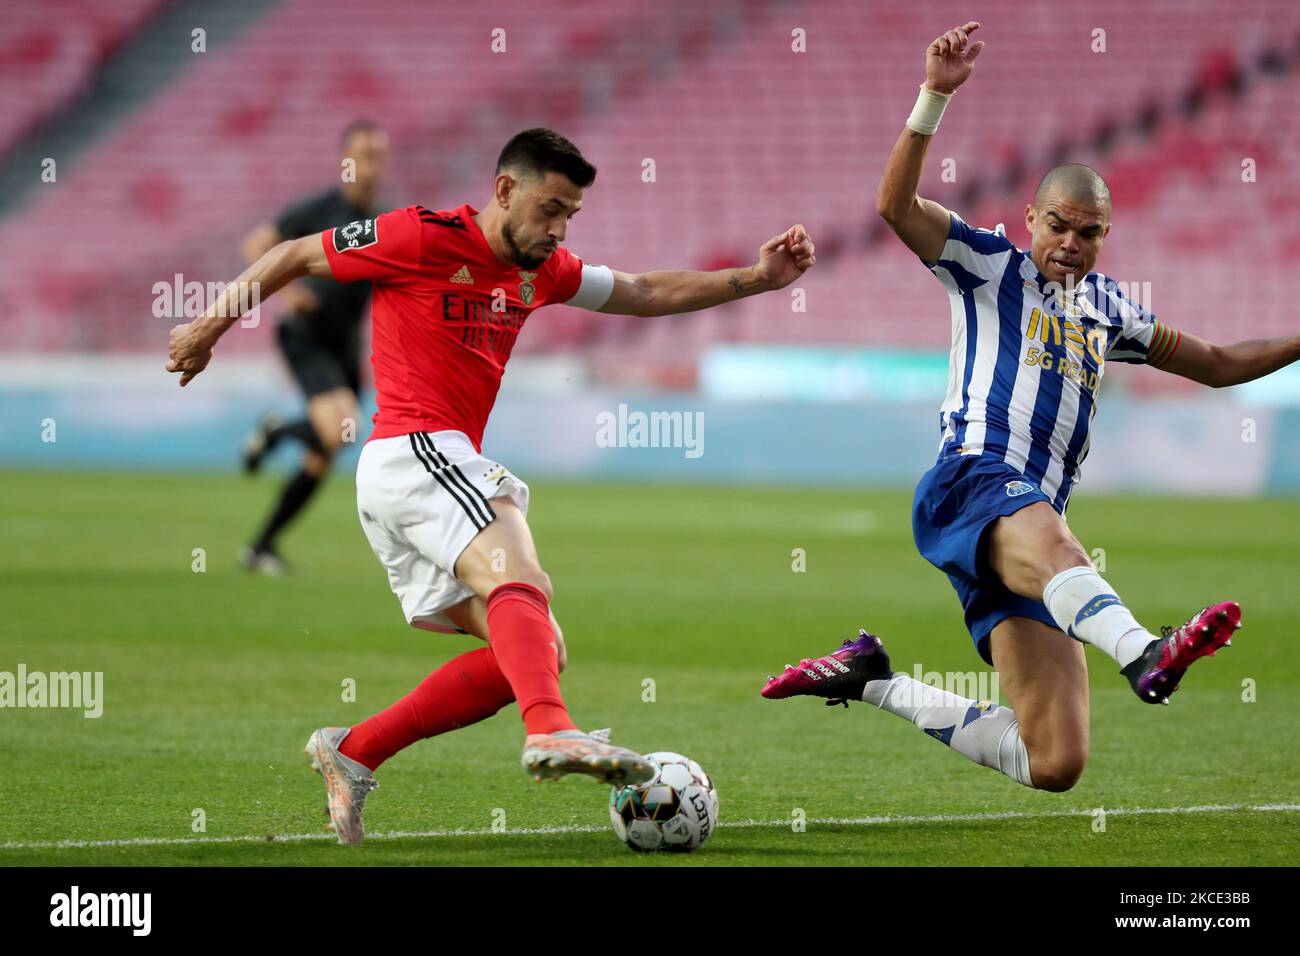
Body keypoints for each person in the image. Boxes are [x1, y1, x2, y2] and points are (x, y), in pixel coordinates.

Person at [167, 127, 816, 842]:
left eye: (571, 214)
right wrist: (206, 326)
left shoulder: (545, 270)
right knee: (521, 574)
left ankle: (354, 749)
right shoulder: (420, 235)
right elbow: (294, 253)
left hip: (416, 473)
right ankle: (554, 733)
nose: (559, 228)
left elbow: (640, 289)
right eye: (550, 209)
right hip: (416, 450)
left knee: (535, 652)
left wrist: (754, 280)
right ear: (505, 191)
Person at [761, 22, 1299, 794]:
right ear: (1030, 220)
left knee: (1054, 761)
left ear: (1107, 236)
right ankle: (1147, 652)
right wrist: (934, 97)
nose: (1070, 244)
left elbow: (1216, 365)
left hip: (1025, 525)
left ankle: (871, 678)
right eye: (1057, 226)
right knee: (1068, 554)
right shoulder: (987, 265)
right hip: (973, 482)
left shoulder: (1113, 311)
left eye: (1088, 232)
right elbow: (894, 204)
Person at [238, 119, 391, 576]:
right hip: (306, 334)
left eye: (379, 155)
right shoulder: (322, 208)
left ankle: (262, 546)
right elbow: (257, 244)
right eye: (364, 155)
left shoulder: (385, 221)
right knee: (343, 426)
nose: (372, 165)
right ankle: (275, 433)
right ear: (346, 161)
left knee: (327, 451)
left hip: (345, 346)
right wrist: (287, 294)